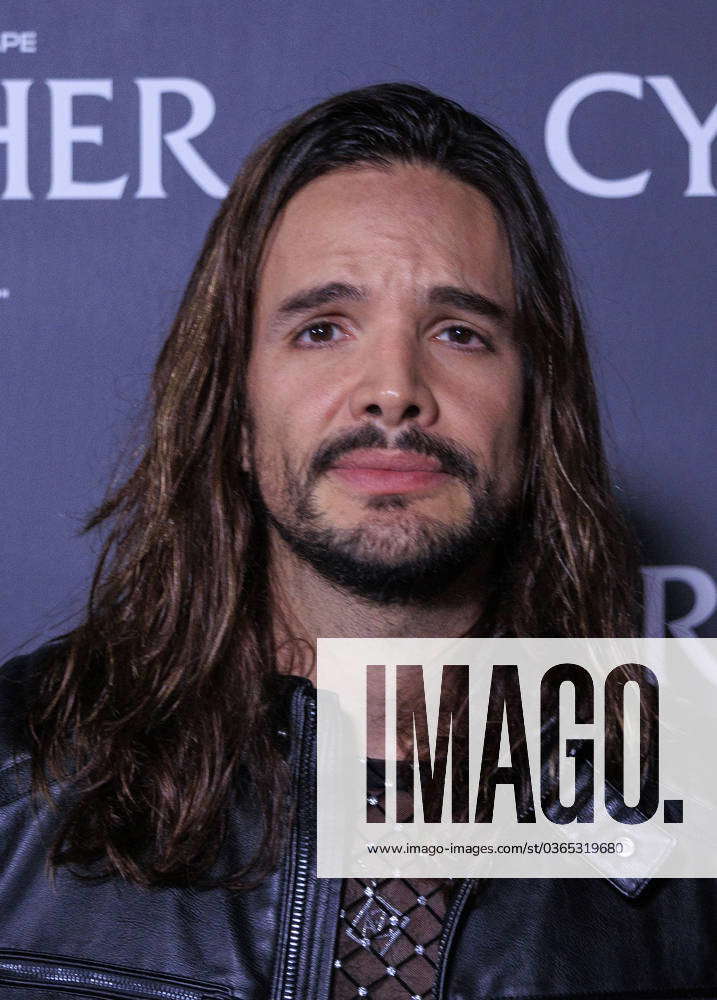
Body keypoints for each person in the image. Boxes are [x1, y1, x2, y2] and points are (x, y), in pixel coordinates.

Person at [0, 83, 714, 1000]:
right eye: (322, 329)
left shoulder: (692, 813)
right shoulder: (21, 782)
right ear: (236, 410)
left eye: (458, 332)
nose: (392, 389)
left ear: (538, 413)